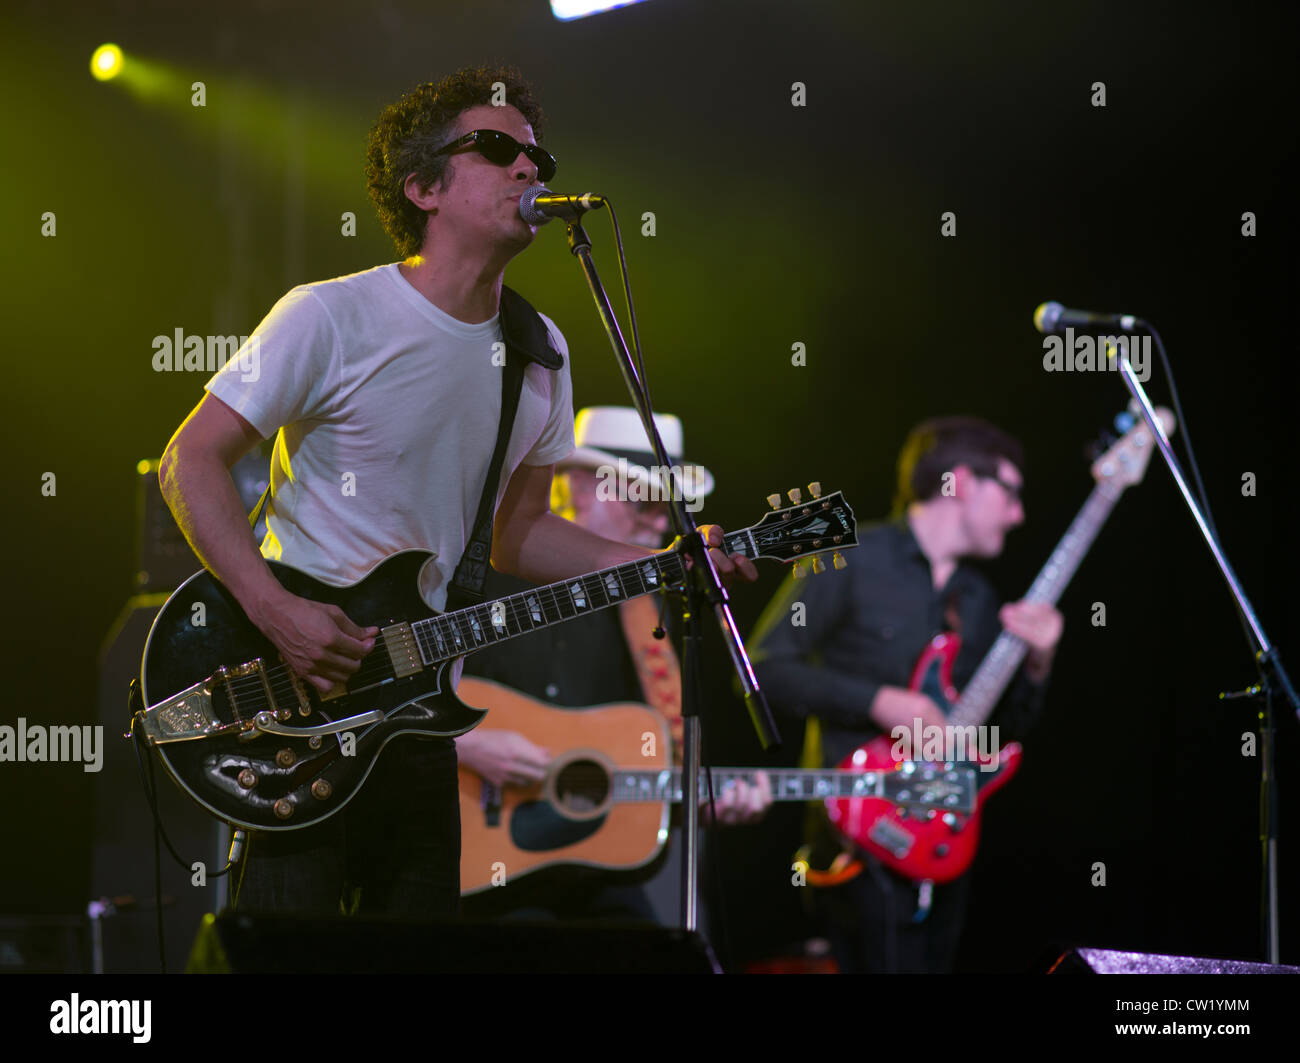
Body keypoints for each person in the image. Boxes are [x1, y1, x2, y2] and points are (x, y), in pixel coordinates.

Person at [156, 66, 755, 921]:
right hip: (297, 695)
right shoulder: (328, 315)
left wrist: (660, 562)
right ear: (423, 185)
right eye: (498, 148)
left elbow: (518, 537)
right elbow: (191, 461)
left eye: (538, 156)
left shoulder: (538, 350)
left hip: (420, 711)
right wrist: (276, 610)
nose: (531, 170)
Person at [749, 417, 1063, 972]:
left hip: (944, 836)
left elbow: (1006, 732)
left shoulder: (977, 598)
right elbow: (764, 670)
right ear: (962, 481)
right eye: (1010, 492)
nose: (1019, 515)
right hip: (857, 832)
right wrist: (882, 702)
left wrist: (1038, 662)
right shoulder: (848, 555)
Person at [458, 406, 772, 923]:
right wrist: (467, 745)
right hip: (476, 857)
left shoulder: (649, 608)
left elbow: (646, 756)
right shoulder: (478, 574)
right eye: (643, 501)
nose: (658, 522)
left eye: (665, 507)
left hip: (595, 865)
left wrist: (702, 801)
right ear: (579, 486)